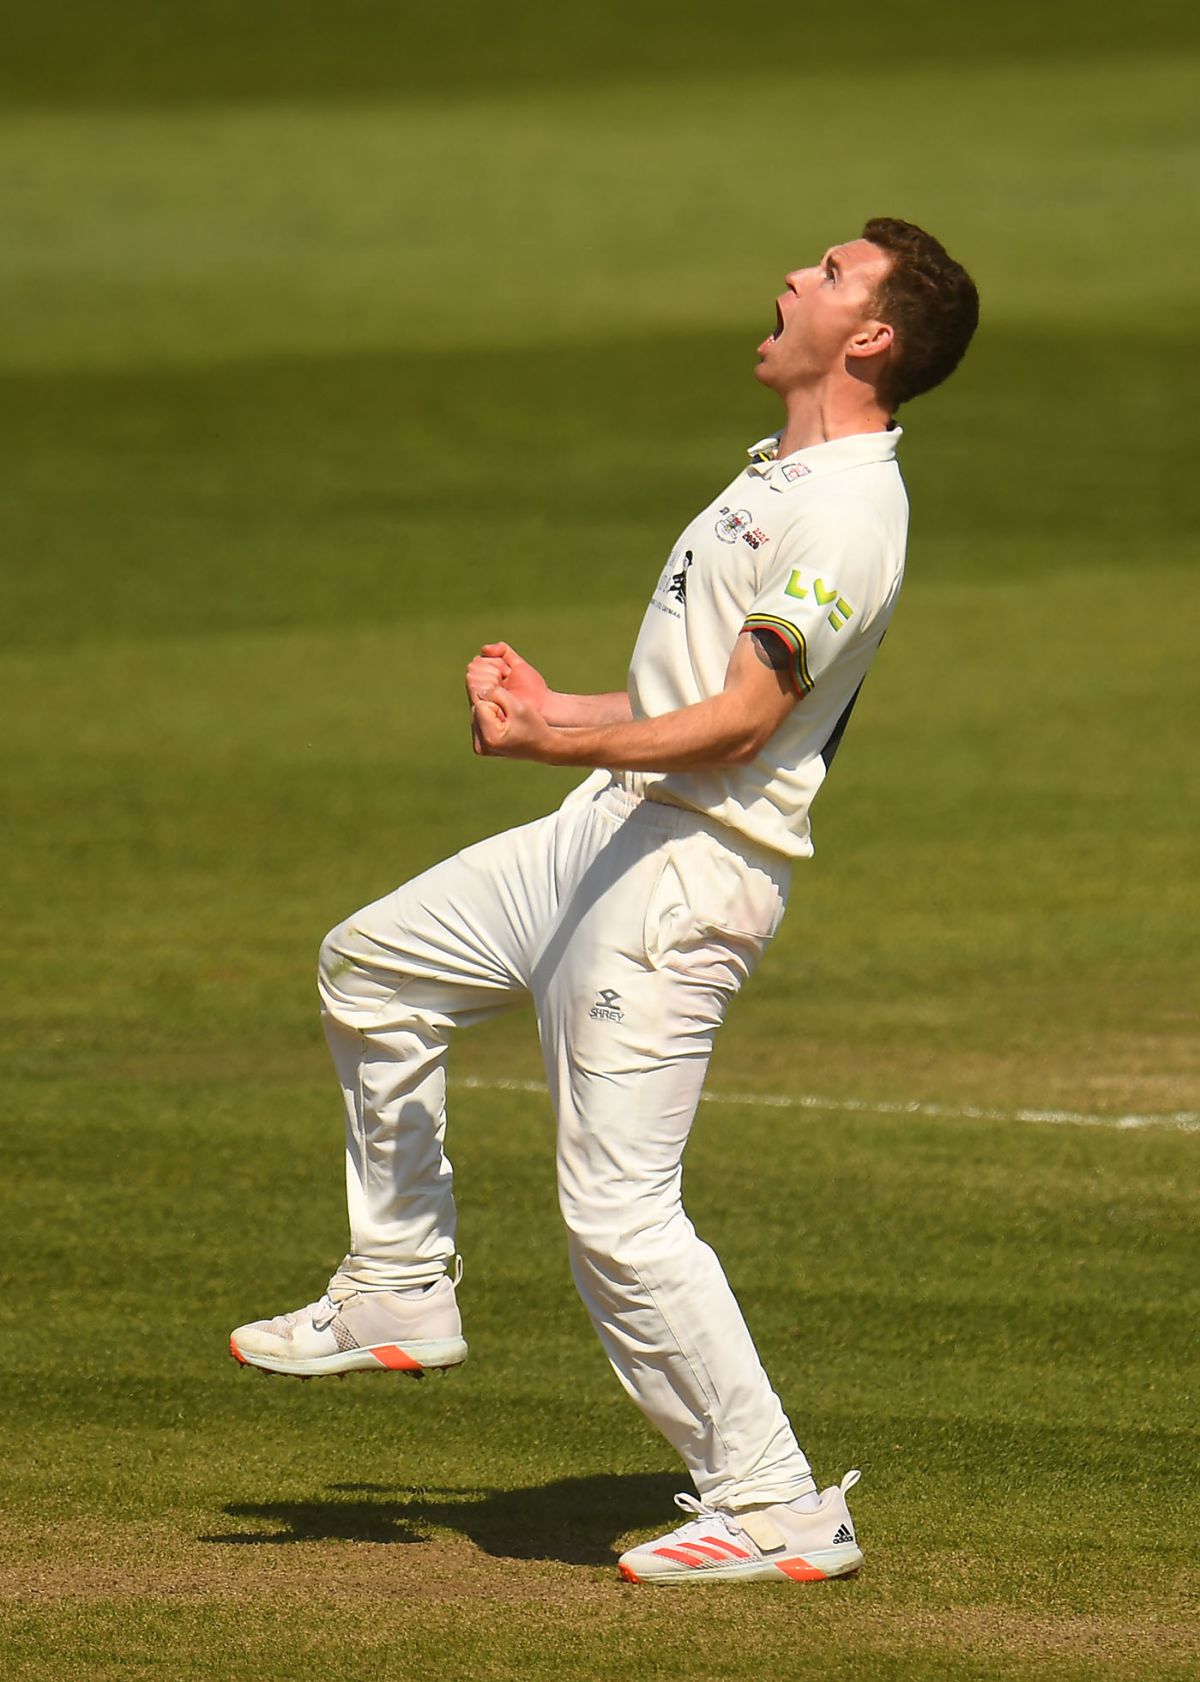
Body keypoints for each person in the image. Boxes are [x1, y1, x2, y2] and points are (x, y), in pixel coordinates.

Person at [230, 217, 979, 1585]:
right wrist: (562, 709)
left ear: (871, 334)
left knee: (620, 1212)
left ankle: (775, 1506)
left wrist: (545, 744)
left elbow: (746, 720)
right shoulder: (782, 474)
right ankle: (397, 1278)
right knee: (377, 962)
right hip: (612, 830)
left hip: (682, 877)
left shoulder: (849, 510)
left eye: (823, 275)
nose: (788, 282)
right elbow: (690, 697)